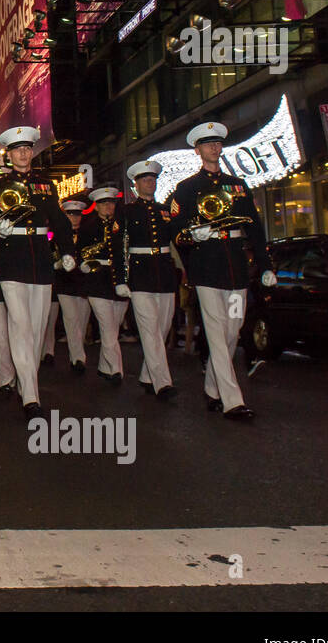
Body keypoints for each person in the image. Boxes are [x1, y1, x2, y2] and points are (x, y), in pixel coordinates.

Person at [165, 121, 276, 421]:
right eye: (207, 144)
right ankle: (232, 401)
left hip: (237, 269)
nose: (214, 147)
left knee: (233, 329)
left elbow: (254, 226)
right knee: (216, 333)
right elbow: (174, 228)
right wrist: (191, 236)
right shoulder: (187, 189)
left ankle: (212, 387)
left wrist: (264, 265)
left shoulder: (237, 185)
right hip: (207, 269)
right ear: (198, 150)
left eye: (217, 143)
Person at [0, 127, 77, 420]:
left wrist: (67, 251)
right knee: (21, 326)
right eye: (17, 150)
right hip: (12, 261)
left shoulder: (46, 185)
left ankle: (27, 383)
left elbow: (60, 222)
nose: (23, 154)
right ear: (9, 155)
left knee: (36, 329)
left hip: (41, 261)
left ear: (32, 152)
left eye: (27, 149)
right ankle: (31, 398)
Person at [114, 161, 180, 399]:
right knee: (150, 330)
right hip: (140, 275)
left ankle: (147, 374)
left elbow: (178, 239)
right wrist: (121, 278)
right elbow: (118, 246)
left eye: (152, 180)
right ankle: (163, 383)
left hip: (164, 273)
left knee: (162, 329)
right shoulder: (127, 211)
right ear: (135, 185)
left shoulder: (164, 210)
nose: (149, 183)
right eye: (145, 180)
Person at [78, 185, 127, 384]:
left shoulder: (121, 225)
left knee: (113, 326)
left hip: (119, 279)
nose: (108, 206)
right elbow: (80, 251)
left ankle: (104, 367)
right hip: (97, 280)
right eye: (103, 203)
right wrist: (85, 265)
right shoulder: (88, 226)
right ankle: (116, 370)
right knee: (107, 326)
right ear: (96, 206)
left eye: (111, 203)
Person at [55, 199, 91, 374]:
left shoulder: (87, 234)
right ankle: (78, 358)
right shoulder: (58, 236)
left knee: (82, 321)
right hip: (64, 282)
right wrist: (56, 264)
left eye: (77, 214)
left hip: (83, 282)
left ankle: (76, 354)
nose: (74, 217)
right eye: (71, 214)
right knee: (71, 320)